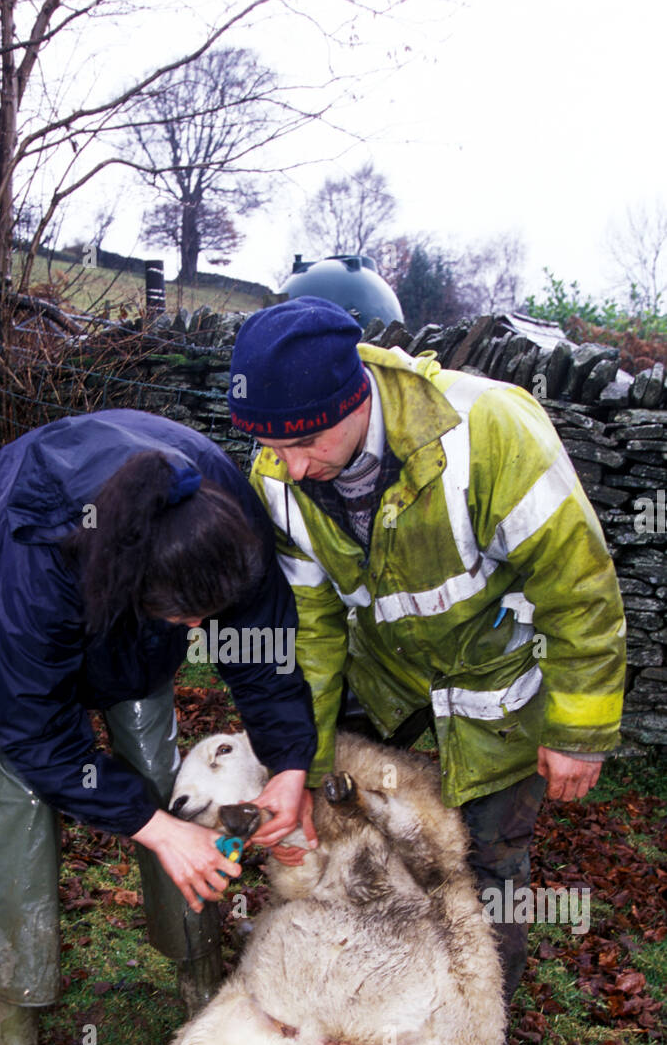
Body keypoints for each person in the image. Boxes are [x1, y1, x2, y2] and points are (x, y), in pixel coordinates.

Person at [228, 295, 627, 1004]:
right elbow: (313, 632)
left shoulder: (490, 431)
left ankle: (477, 1025)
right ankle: (379, 1008)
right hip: (386, 687)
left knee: (489, 866)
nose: (288, 469)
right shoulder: (280, 478)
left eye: (306, 442)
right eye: (273, 448)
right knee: (374, 853)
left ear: (355, 400)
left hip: (501, 696)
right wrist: (307, 766)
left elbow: (581, 587)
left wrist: (582, 733)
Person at [0, 409, 317, 1045]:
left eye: (206, 619)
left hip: (134, 590)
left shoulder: (220, 517)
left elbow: (261, 644)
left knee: (155, 770)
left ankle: (200, 978)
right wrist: (157, 832)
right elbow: (36, 730)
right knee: (23, 805)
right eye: (189, 621)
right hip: (3, 581)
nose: (201, 636)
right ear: (137, 588)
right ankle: (15, 1029)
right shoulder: (40, 552)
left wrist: (290, 763)